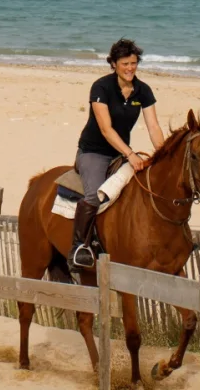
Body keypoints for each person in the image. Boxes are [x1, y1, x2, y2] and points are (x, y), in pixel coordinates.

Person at [71, 37, 165, 270]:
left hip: (120, 154)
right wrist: (131, 154)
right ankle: (79, 247)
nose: (130, 68)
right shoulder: (101, 87)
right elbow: (105, 129)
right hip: (94, 152)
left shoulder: (143, 91)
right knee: (93, 195)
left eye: (133, 63)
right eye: (125, 64)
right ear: (113, 64)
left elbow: (153, 126)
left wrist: (164, 155)